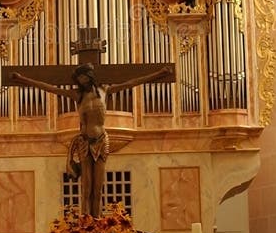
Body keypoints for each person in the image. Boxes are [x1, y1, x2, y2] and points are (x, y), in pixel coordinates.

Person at [9, 62, 173, 217]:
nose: (81, 80)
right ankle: (86, 223)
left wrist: (159, 74)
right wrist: (23, 80)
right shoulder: (77, 95)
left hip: (101, 140)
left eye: (83, 76)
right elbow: (49, 88)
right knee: (86, 187)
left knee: (98, 187)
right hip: (85, 141)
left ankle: (97, 223)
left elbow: (133, 82)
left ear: (89, 75)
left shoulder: (104, 90)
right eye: (79, 78)